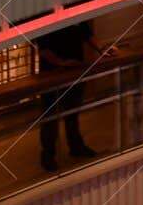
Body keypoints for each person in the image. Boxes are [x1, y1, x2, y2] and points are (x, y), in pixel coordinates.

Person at [34, 20, 100, 171]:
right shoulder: (45, 16)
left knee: (72, 113)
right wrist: (61, 63)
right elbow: (43, 49)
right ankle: (48, 156)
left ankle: (76, 146)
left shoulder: (73, 12)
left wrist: (102, 49)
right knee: (50, 116)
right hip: (51, 76)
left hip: (75, 71)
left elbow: (88, 34)